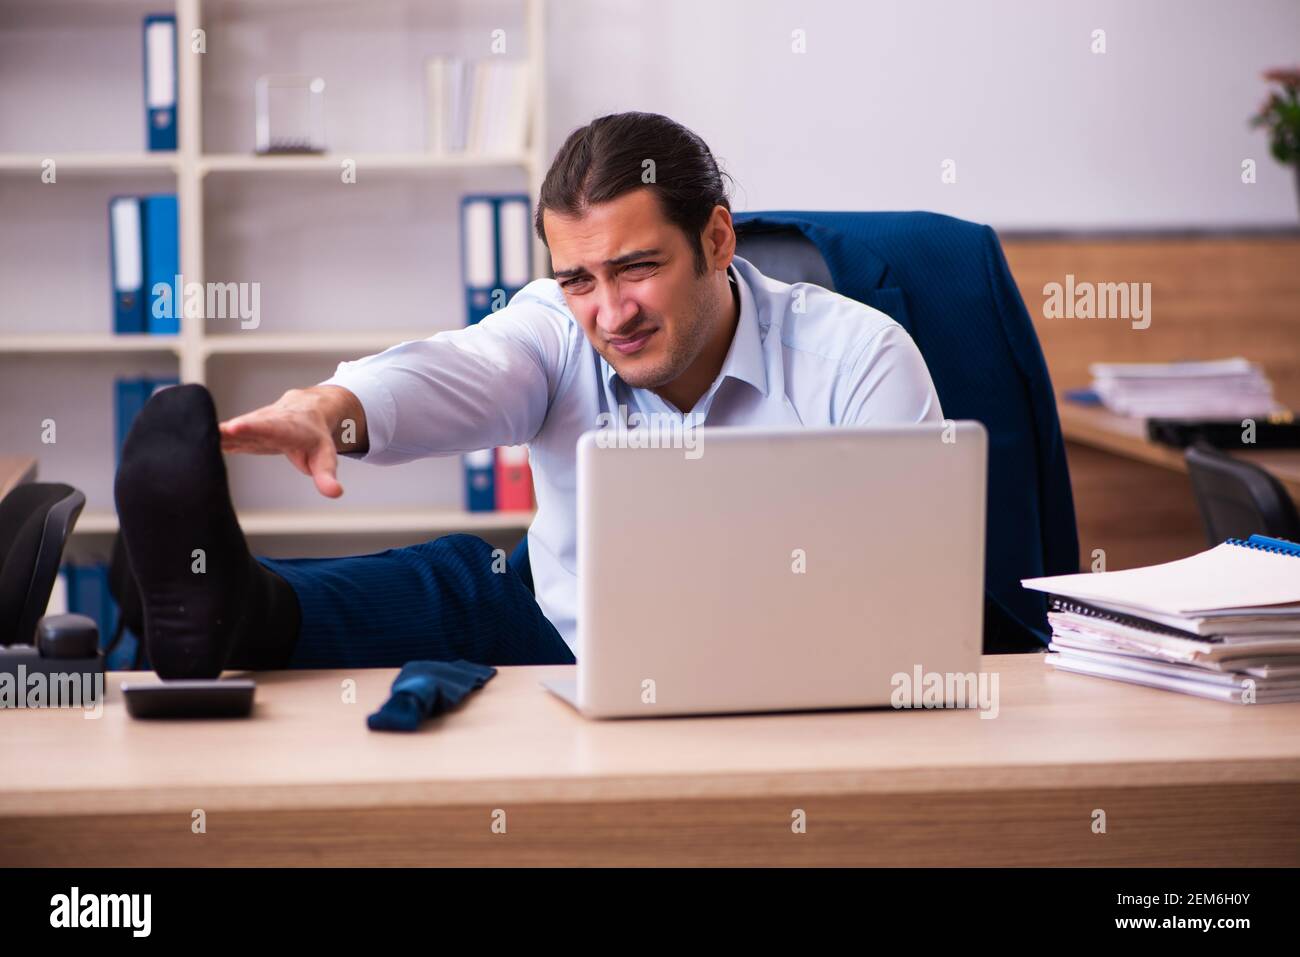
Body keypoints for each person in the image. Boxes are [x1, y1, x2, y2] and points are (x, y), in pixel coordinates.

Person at [113, 111, 941, 679]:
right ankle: (226, 604)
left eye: (638, 268)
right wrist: (330, 407)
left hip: (784, 668)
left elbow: (910, 594)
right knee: (455, 580)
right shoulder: (554, 326)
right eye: (578, 277)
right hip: (566, 636)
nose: (609, 313)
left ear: (716, 239)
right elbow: (458, 368)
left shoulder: (857, 357)